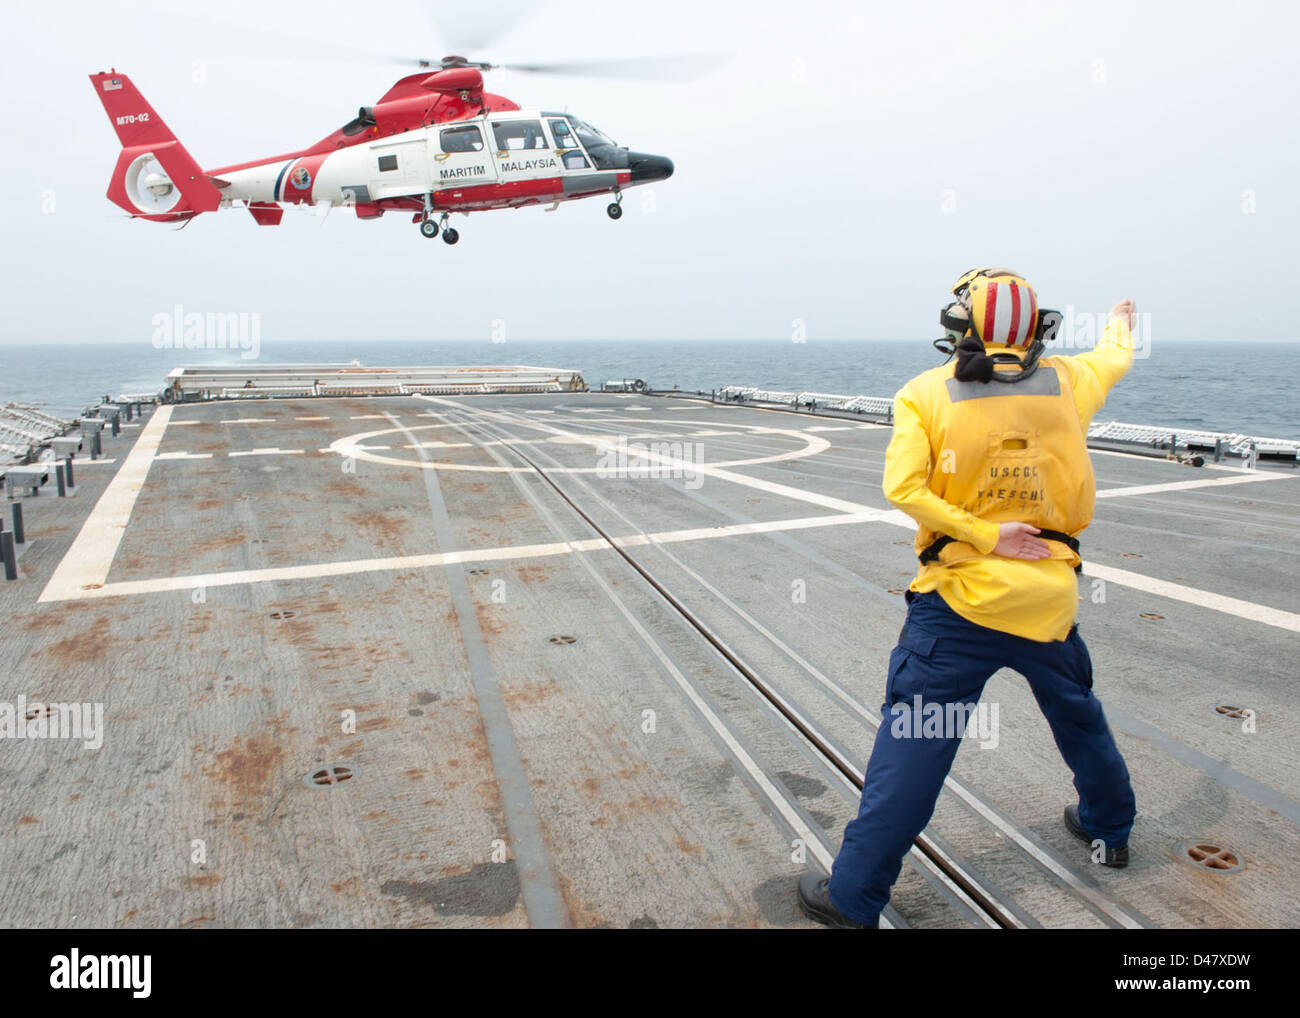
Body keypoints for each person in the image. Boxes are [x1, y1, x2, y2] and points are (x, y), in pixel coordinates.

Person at [798, 267, 1138, 929]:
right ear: (1037, 329)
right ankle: (1110, 828)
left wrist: (984, 534)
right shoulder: (1069, 382)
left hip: (958, 603)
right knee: (1078, 716)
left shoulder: (925, 392)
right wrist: (1120, 322)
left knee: (915, 743)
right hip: (1047, 600)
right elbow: (1114, 357)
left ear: (960, 328)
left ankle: (852, 897)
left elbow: (904, 488)